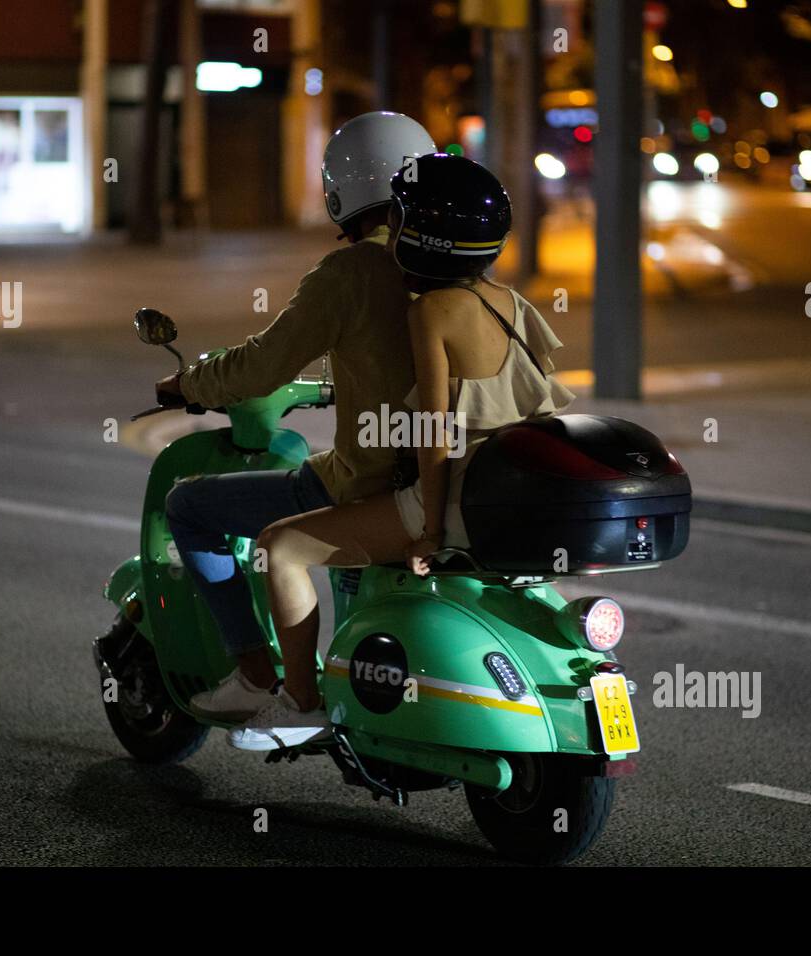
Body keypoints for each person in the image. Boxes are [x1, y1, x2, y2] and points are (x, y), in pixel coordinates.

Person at [228, 153, 575, 750]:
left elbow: (435, 431)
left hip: (460, 495)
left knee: (279, 547)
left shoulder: (431, 312)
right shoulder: (512, 304)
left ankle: (300, 704)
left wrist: (429, 530)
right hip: (508, 493)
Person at [154, 112, 436, 722]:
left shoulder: (350, 271)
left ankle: (264, 679)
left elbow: (262, 365)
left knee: (188, 506)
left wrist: (190, 383)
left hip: (369, 480)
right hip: (437, 470)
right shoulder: (445, 264)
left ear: (341, 189)